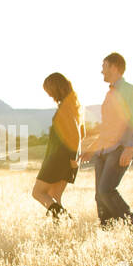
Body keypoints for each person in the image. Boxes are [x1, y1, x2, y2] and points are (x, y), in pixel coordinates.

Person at [80, 52, 133, 226]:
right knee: (99, 196)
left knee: (105, 191)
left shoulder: (130, 91)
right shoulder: (110, 94)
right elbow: (107, 127)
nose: (102, 71)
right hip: (103, 151)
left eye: (104, 66)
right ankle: (107, 234)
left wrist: (130, 147)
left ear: (114, 67)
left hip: (118, 149)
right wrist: (92, 149)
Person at [32, 72, 82, 220]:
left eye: (48, 90)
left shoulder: (65, 108)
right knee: (55, 197)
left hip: (58, 159)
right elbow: (81, 133)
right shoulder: (72, 106)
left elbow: (76, 135)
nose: (48, 94)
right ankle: (60, 229)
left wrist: (73, 157)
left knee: (38, 193)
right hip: (67, 159)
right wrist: (74, 158)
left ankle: (67, 219)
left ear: (55, 89)